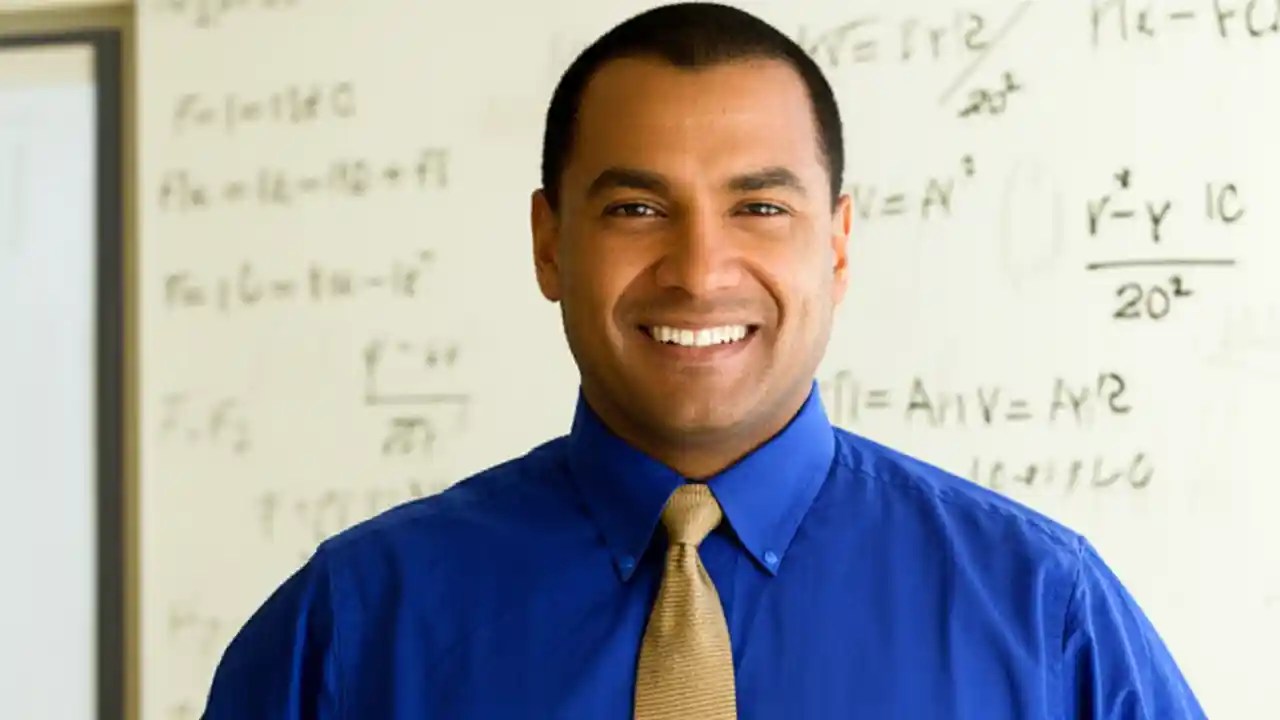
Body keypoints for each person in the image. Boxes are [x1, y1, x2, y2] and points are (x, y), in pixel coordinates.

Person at [201, 3, 1205, 718]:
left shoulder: (1040, 614)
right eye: (636, 209)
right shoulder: (354, 624)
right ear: (550, 244)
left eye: (758, 207)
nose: (698, 270)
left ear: (837, 244)